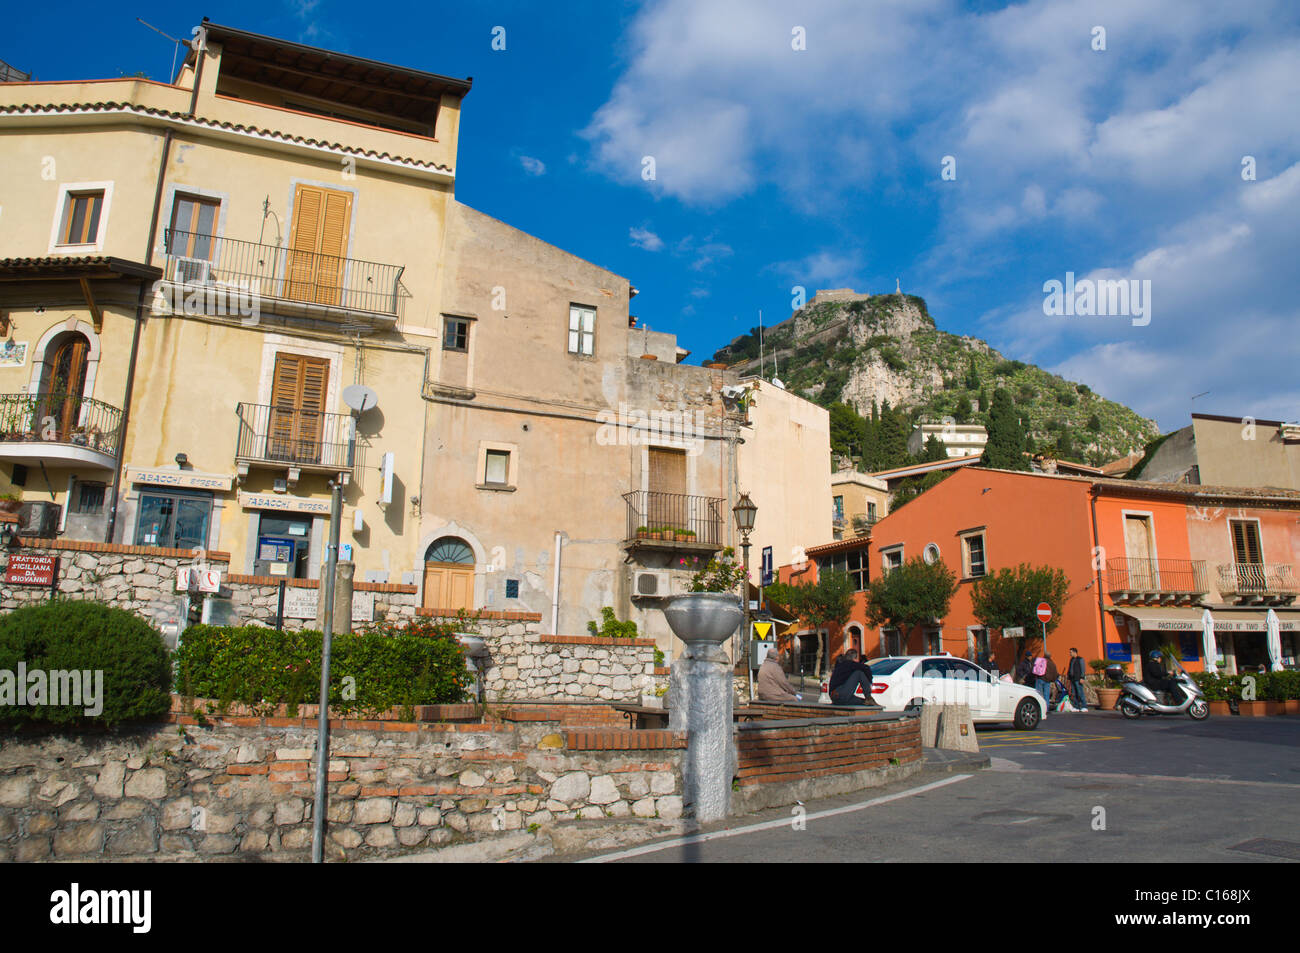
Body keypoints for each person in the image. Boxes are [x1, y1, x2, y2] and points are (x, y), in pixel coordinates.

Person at [1066, 647, 1088, 711]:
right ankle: (1076, 706)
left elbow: (1083, 668)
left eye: (1071, 652)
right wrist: (1068, 676)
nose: (1070, 653)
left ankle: (1084, 706)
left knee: (1080, 692)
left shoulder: (1080, 659)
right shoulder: (1071, 660)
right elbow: (1070, 668)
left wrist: (1082, 677)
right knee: (1074, 693)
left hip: (1078, 678)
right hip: (1072, 679)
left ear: (1075, 652)